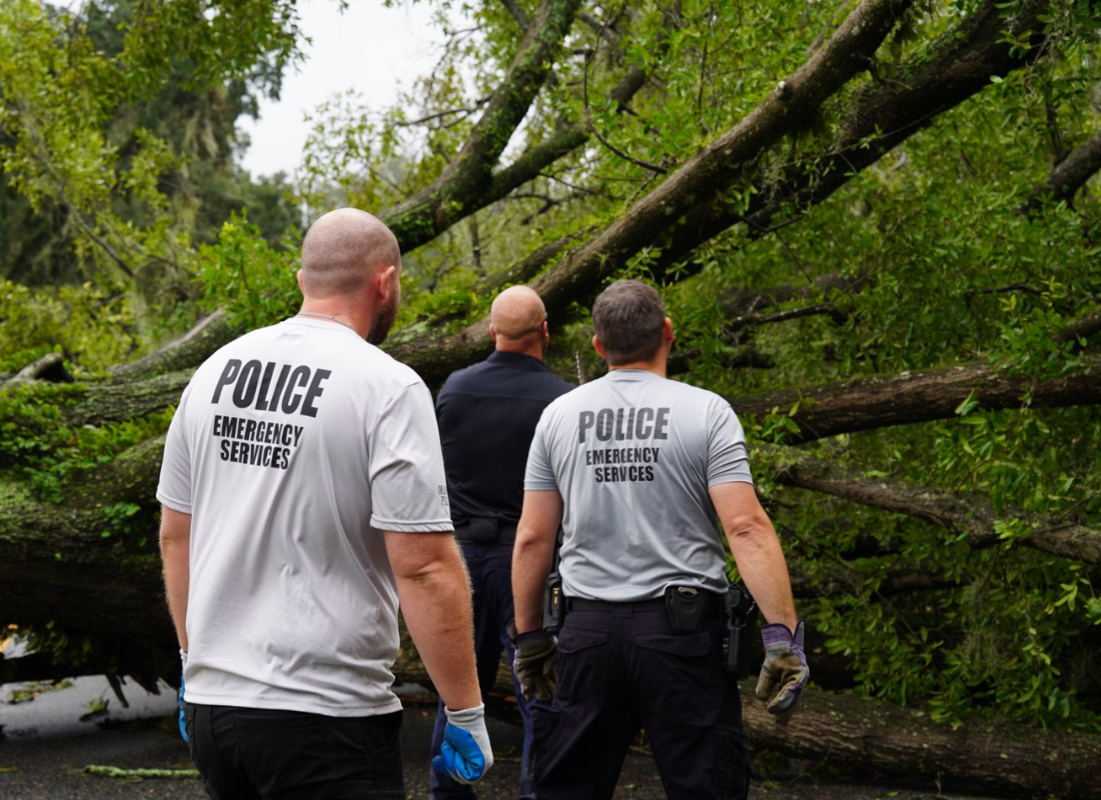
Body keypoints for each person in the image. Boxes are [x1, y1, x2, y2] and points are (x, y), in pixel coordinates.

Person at [157, 207, 493, 800]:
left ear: (302, 281)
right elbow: (425, 566)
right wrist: (465, 709)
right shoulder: (387, 386)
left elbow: (175, 536)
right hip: (327, 721)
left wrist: (193, 662)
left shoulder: (211, 374)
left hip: (217, 715)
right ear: (385, 282)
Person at [510, 279, 808, 800]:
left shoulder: (558, 416)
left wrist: (530, 638)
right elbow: (745, 527)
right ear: (668, 333)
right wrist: (782, 636)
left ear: (599, 347)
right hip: (682, 640)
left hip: (587, 636)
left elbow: (533, 538)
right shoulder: (707, 412)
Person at [428, 286, 574, 800]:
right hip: (528, 561)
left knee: (459, 693)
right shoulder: (561, 400)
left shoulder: (454, 390)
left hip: (462, 557)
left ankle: (448, 794)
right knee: (541, 692)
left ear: (492, 332)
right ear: (545, 332)